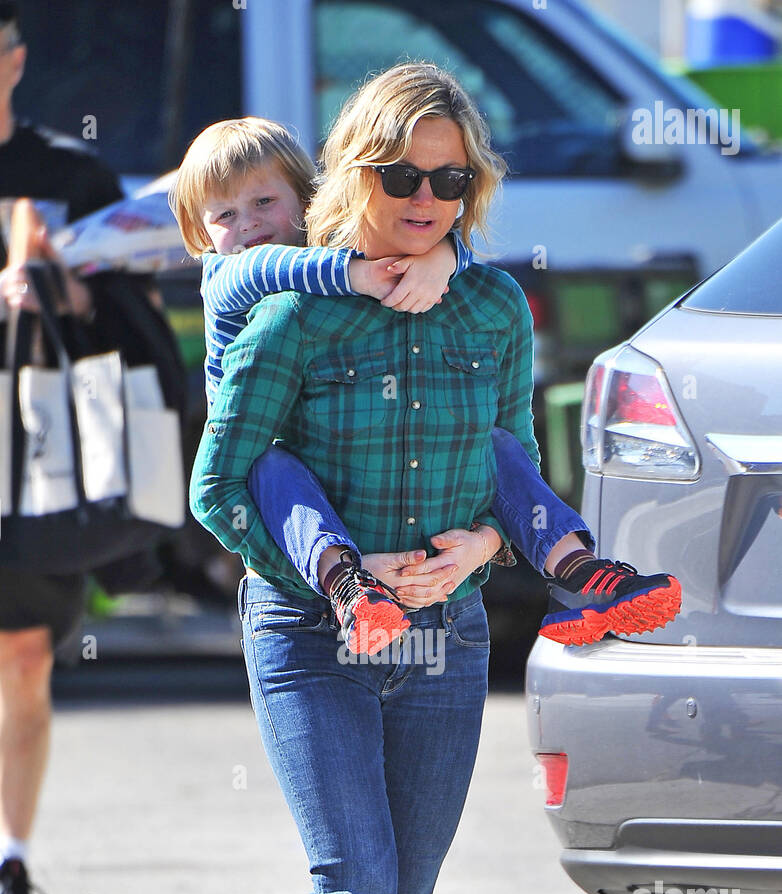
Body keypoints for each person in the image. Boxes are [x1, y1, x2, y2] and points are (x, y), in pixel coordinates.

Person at [189, 63, 678, 894]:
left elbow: (502, 453)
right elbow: (221, 487)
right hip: (311, 628)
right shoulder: (291, 310)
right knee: (353, 880)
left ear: (475, 186)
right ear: (354, 171)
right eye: (401, 174)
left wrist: (477, 551)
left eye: (449, 178)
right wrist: (332, 573)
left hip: (444, 635)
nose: (424, 196)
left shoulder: (491, 310)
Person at [174, 116, 681, 657]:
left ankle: (579, 571)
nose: (249, 224)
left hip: (410, 556)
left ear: (306, 199)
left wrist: (444, 257)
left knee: (497, 446)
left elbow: (431, 235)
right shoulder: (227, 273)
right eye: (225, 215)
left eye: (263, 203)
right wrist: (358, 275)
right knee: (274, 464)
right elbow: (261, 269)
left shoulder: (338, 258)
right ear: (202, 234)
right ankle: (345, 583)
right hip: (266, 465)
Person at [0, 1, 185, 894]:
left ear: (16, 60)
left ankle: (11, 863)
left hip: (43, 455)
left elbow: (133, 312)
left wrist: (68, 288)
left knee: (26, 655)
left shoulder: (70, 175)